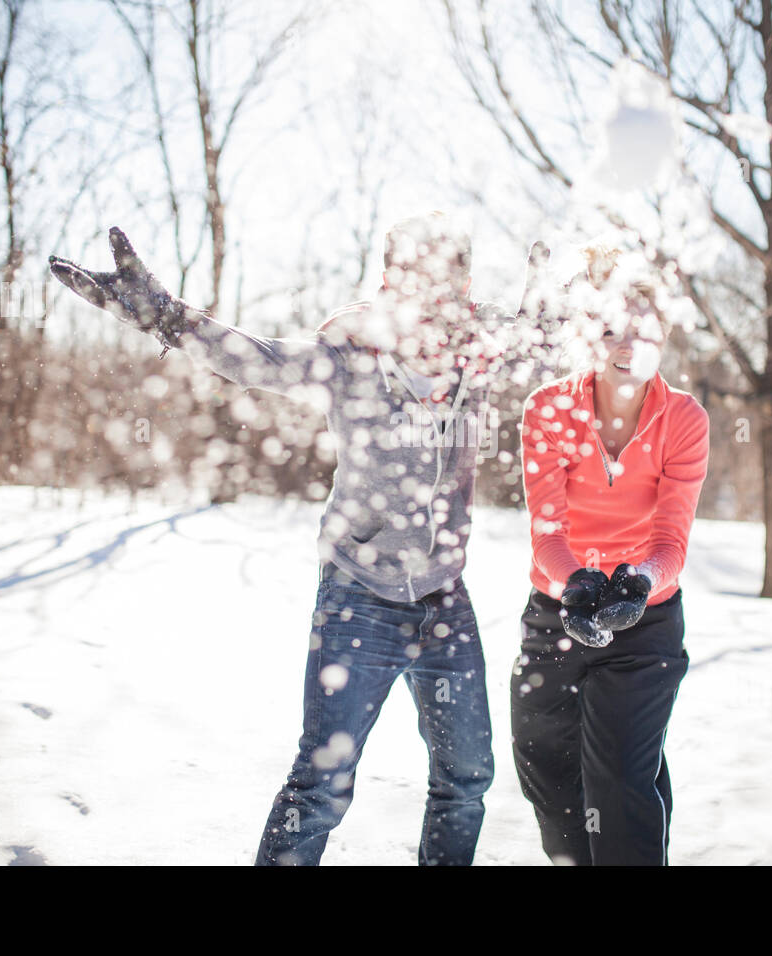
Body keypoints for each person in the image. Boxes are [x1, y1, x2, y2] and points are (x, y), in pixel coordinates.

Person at [48, 213, 510, 865]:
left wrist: (572, 290)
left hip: (444, 601)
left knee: (466, 782)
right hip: (362, 598)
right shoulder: (351, 357)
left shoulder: (477, 355)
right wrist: (164, 316)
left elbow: (552, 336)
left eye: (448, 280)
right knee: (322, 788)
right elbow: (254, 359)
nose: (434, 297)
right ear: (392, 281)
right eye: (419, 277)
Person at [511, 246, 710, 866]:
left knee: (621, 775)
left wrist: (637, 583)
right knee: (547, 767)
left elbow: (670, 544)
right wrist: (575, 584)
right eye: (609, 330)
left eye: (643, 331)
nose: (626, 346)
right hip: (557, 612)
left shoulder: (684, 419)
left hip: (644, 618)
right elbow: (549, 532)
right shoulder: (549, 410)